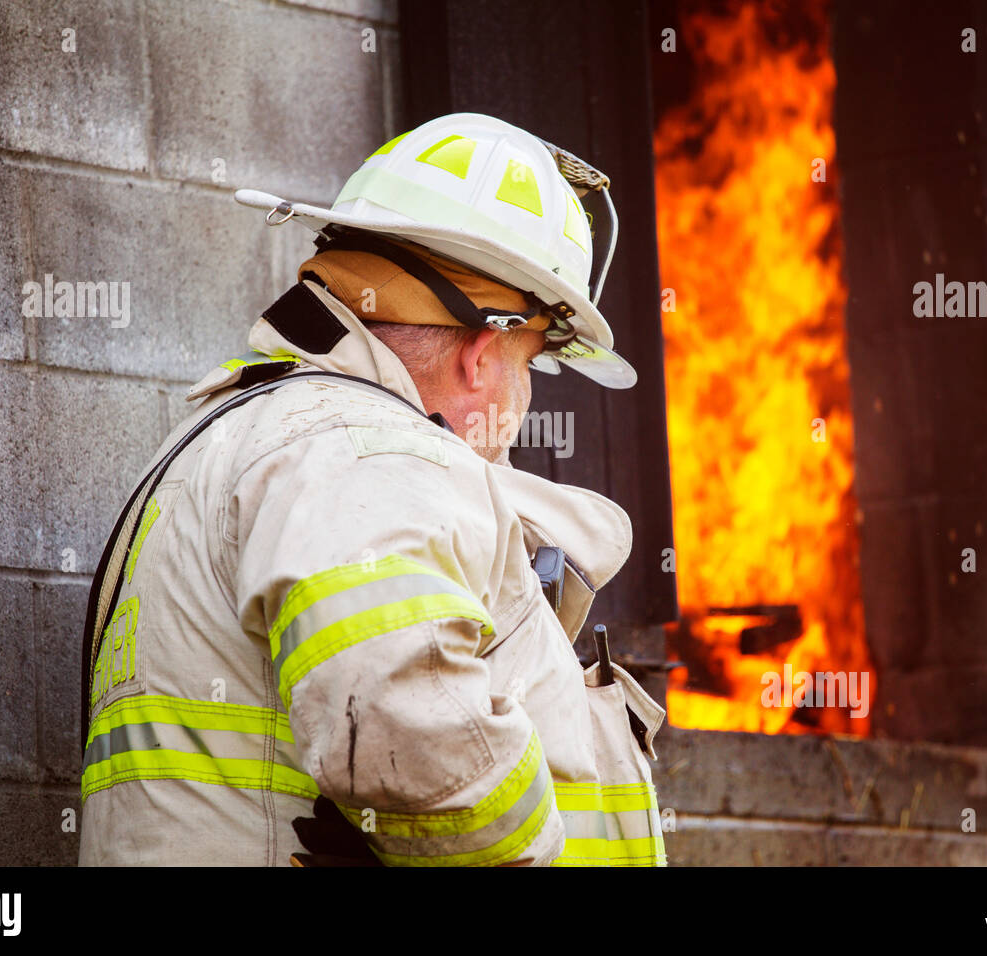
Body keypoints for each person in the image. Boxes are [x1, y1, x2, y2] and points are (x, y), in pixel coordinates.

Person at [78, 112, 666, 866]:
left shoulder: (244, 436)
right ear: (483, 355)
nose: (522, 404)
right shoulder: (370, 452)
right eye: (531, 365)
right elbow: (416, 736)